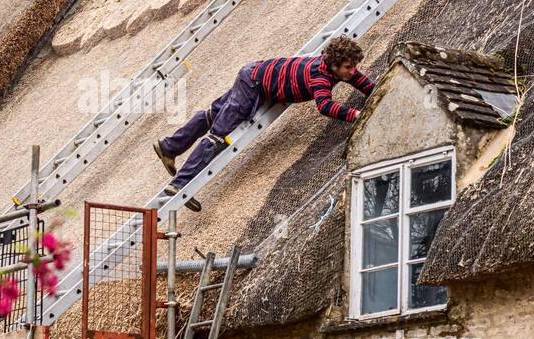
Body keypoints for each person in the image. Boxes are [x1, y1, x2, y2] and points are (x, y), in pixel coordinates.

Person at [152, 36, 374, 211]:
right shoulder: (320, 77)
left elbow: (364, 83)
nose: (352, 71)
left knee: (213, 114)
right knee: (217, 136)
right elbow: (324, 106)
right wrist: (355, 114)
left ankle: (169, 147)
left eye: (354, 66)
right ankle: (179, 184)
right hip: (254, 84)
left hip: (254, 74)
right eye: (348, 67)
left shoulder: (339, 71)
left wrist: (379, 92)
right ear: (334, 64)